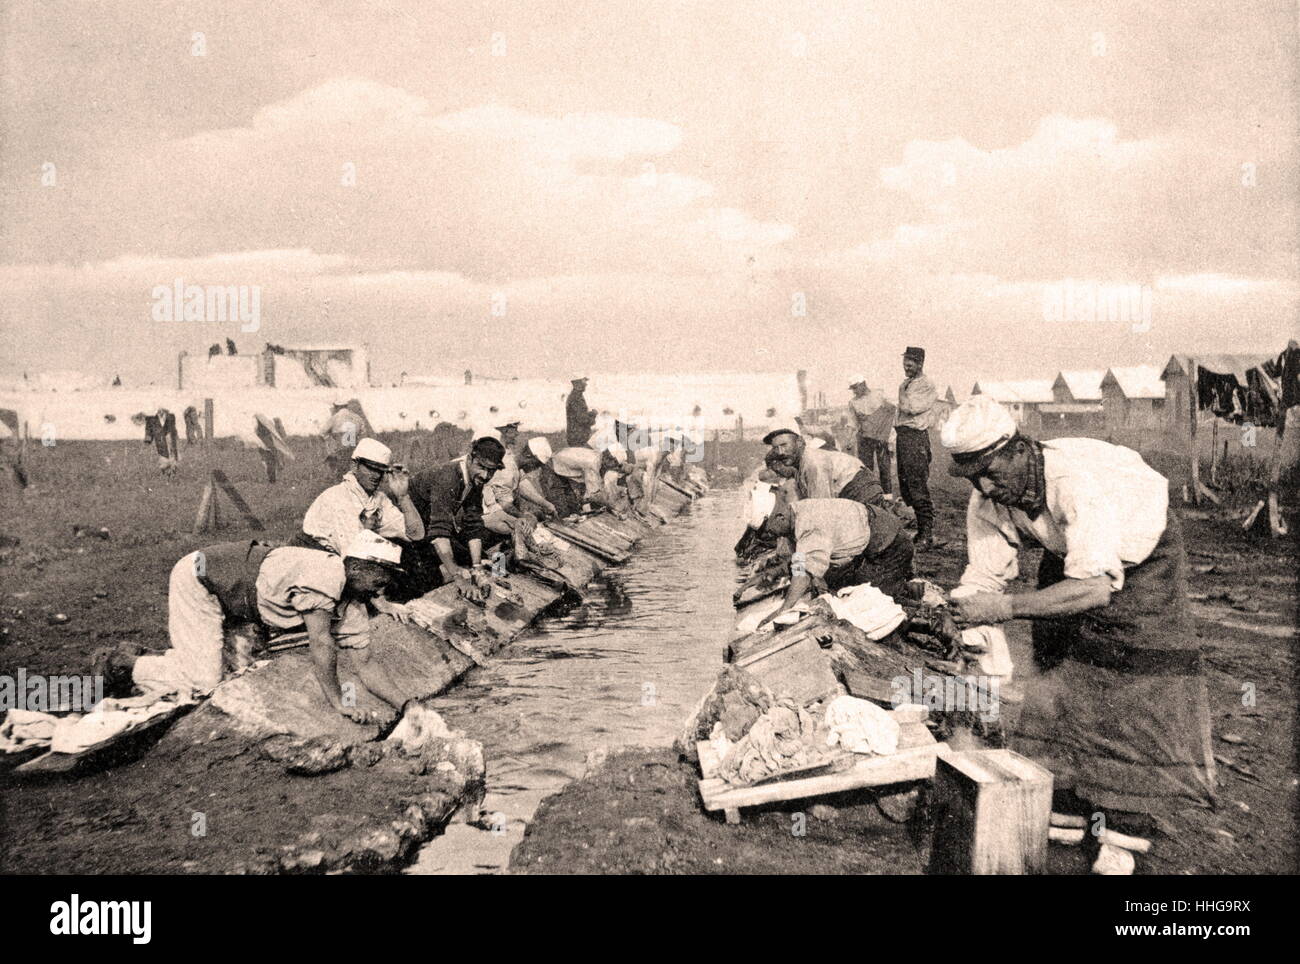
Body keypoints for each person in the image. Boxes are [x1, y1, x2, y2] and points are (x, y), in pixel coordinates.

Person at [940, 393, 1215, 835]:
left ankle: (1128, 820)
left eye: (990, 473)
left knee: (1135, 673)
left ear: (1019, 449)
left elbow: (1092, 588)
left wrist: (1007, 608)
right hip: (1071, 551)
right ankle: (1063, 793)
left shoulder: (1072, 479)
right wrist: (967, 615)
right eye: (973, 478)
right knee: (1053, 662)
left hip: (1141, 553)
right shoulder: (987, 498)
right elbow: (985, 577)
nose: (985, 488)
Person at [132, 531, 409, 724]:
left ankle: (173, 658)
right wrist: (338, 702)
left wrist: (408, 706)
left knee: (235, 678)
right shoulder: (326, 575)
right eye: (379, 582)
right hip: (202, 578)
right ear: (358, 569)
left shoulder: (354, 602)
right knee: (205, 684)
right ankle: (126, 663)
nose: (381, 591)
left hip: (241, 600)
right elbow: (321, 643)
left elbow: (366, 664)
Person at [744, 484, 914, 630]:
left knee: (873, 606)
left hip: (889, 543)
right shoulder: (795, 514)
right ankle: (904, 587)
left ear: (779, 517)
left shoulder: (809, 526)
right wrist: (777, 572)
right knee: (843, 590)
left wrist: (782, 611)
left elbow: (803, 574)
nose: (767, 535)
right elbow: (801, 559)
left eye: (766, 529)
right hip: (873, 534)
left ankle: (929, 618)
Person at [409, 436, 507, 602]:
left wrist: (477, 568)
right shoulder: (448, 477)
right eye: (481, 467)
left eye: (491, 470)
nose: (485, 475)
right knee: (430, 577)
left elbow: (473, 524)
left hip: (429, 527)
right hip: (408, 530)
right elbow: (440, 533)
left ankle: (498, 576)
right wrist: (458, 578)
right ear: (469, 459)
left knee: (480, 559)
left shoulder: (476, 480)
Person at [764, 419, 883, 507]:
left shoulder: (813, 462)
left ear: (799, 442)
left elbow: (821, 508)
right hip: (851, 489)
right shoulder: (801, 461)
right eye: (775, 448)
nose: (780, 452)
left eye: (784, 445)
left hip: (861, 490)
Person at [896, 346, 939, 548]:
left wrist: (902, 392)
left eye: (910, 362)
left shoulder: (926, 385)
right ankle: (922, 531)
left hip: (916, 438)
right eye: (905, 362)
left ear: (920, 363)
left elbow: (909, 408)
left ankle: (926, 535)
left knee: (917, 485)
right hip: (903, 438)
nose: (906, 365)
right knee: (906, 486)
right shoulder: (906, 384)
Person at [548, 443, 630, 517]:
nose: (615, 467)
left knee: (574, 508)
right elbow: (594, 494)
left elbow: (597, 485)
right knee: (563, 511)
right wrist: (613, 506)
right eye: (615, 464)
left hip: (562, 466)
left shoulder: (599, 458)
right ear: (610, 459)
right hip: (554, 467)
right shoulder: (592, 463)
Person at [849, 376, 895, 495]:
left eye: (855, 387)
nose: (854, 391)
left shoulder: (878, 395)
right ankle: (870, 495)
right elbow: (852, 422)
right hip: (864, 438)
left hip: (881, 438)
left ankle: (887, 498)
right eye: (852, 388)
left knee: (884, 468)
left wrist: (889, 437)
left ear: (863, 384)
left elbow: (891, 414)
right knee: (866, 469)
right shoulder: (853, 402)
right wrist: (849, 438)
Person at [565, 377, 597, 447]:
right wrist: (593, 417)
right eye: (584, 381)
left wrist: (590, 414)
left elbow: (580, 414)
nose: (586, 384)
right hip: (578, 439)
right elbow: (582, 419)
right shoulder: (576, 398)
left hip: (577, 438)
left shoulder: (576, 396)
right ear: (578, 383)